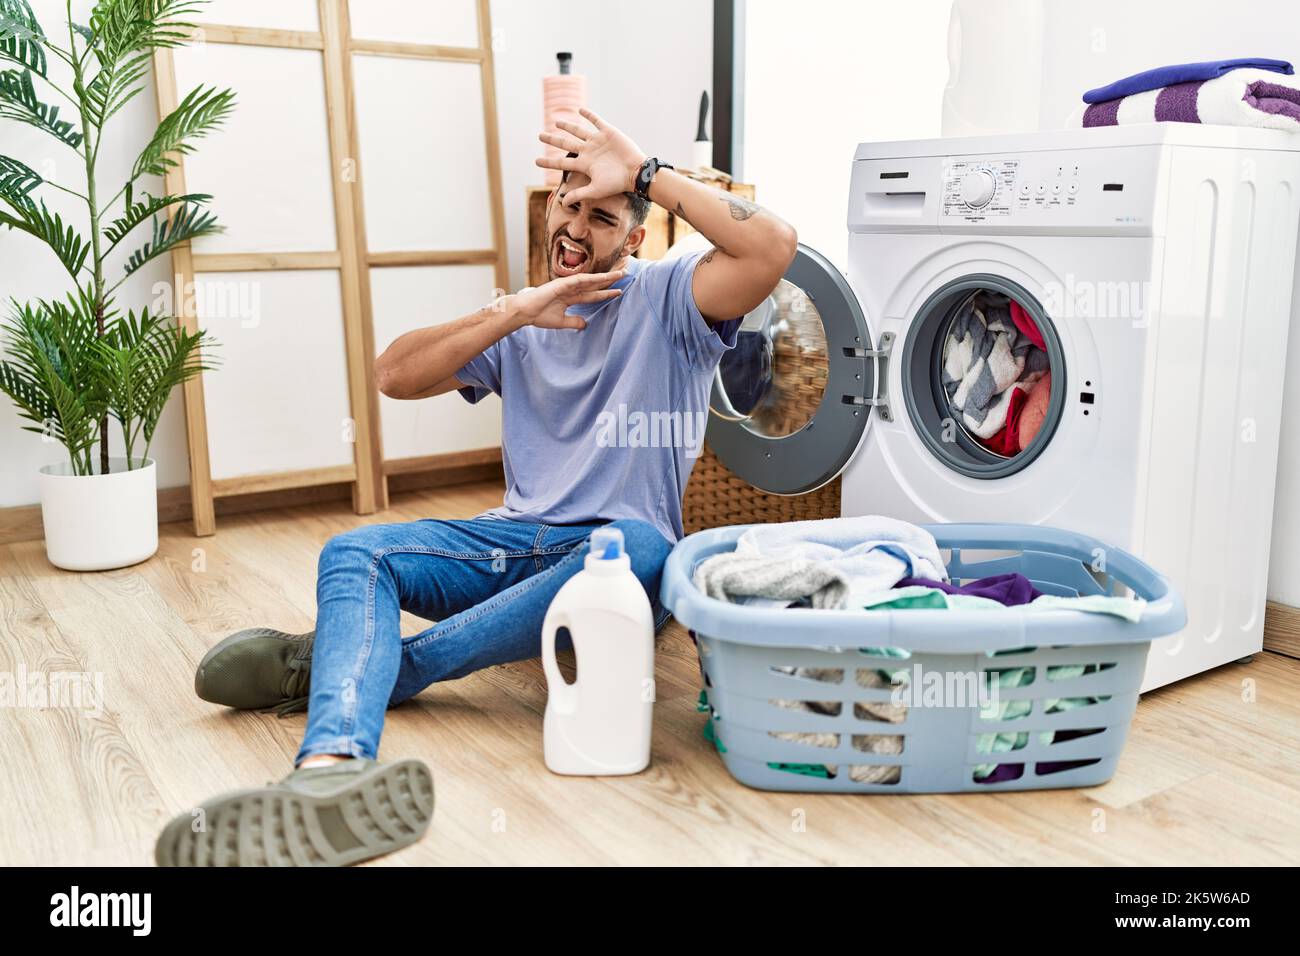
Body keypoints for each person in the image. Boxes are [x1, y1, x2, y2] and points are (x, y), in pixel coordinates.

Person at [155, 109, 798, 866]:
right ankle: (329, 771)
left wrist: (646, 171)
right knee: (354, 552)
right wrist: (514, 310)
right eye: (569, 202)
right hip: (512, 543)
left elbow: (772, 247)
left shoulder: (670, 300)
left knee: (648, 547)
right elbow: (392, 375)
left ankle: (383, 663)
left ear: (632, 236)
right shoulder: (523, 322)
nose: (575, 225)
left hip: (616, 564)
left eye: (602, 214)